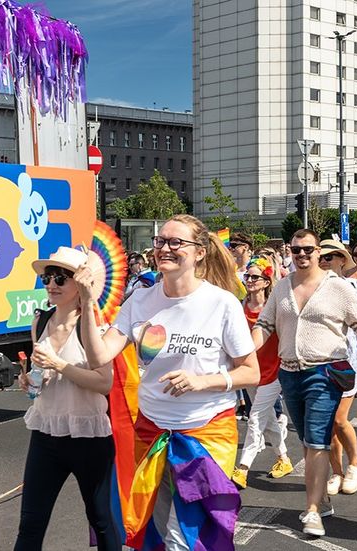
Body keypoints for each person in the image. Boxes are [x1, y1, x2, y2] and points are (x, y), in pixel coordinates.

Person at [73, 214, 260, 550]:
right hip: (152, 432)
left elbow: (251, 372)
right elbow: (99, 356)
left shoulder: (222, 304)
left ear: (199, 252)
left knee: (182, 535)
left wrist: (202, 382)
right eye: (160, 241)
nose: (165, 248)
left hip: (206, 433)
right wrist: (88, 302)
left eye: (176, 242)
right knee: (156, 528)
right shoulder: (141, 300)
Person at [252, 229, 357, 538]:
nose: (301, 255)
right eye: (296, 250)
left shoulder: (338, 287)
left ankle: (311, 511)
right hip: (289, 374)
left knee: (317, 440)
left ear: (318, 253)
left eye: (307, 249)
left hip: (324, 373)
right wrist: (240, 351)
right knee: (309, 443)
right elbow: (264, 326)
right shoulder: (282, 287)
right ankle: (321, 499)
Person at [14, 247, 118, 550]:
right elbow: (39, 376)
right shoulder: (40, 320)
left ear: (81, 283)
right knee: (30, 523)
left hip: (88, 436)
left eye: (62, 277)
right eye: (48, 277)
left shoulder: (94, 328)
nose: (52, 284)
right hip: (46, 433)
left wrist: (59, 365)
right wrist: (29, 380)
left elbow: (104, 383)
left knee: (100, 519)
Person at [319, 240, 357, 496]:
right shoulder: (310, 289)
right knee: (327, 424)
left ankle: (354, 462)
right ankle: (336, 471)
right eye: (320, 257)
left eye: (331, 256)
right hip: (319, 363)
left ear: (343, 260)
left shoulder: (354, 289)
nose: (324, 261)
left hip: (348, 361)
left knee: (339, 418)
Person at [232, 257, 294, 489]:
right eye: (247, 276)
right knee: (267, 420)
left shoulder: (275, 306)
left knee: (255, 417)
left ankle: (243, 468)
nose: (249, 280)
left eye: (255, 277)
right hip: (249, 371)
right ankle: (284, 458)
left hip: (273, 370)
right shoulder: (239, 306)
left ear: (267, 281)